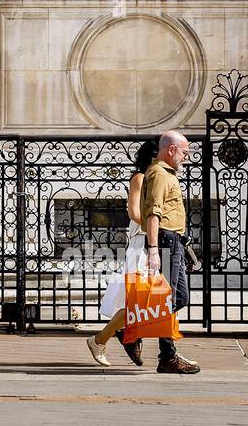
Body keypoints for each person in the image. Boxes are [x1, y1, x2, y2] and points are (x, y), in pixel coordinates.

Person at [85, 137, 156, 367]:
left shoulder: (160, 178)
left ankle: (126, 337)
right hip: (141, 242)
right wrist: (155, 226)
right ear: (153, 156)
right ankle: (103, 338)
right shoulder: (140, 177)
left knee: (148, 300)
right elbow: (134, 212)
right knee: (137, 301)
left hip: (154, 241)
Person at [142, 131, 200, 373]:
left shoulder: (167, 174)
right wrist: (154, 250)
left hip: (174, 242)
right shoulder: (158, 174)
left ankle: (136, 327)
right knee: (167, 300)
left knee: (179, 298)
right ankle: (167, 356)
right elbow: (153, 213)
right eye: (185, 152)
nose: (186, 157)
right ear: (171, 150)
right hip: (165, 241)